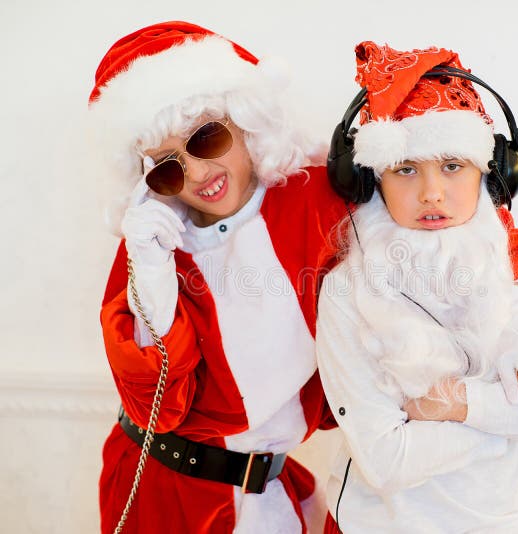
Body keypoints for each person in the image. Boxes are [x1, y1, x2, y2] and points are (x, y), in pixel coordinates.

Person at [315, 41, 518, 533]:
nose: (432, 192)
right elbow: (385, 461)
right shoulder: (347, 292)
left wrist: (456, 404)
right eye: (406, 169)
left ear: (491, 175)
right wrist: (515, 422)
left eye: (452, 165)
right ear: (369, 182)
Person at [88, 22, 346, 533]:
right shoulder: (152, 242)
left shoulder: (317, 200)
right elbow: (158, 404)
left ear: (246, 120)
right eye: (167, 166)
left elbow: (428, 237)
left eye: (207, 137)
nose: (197, 173)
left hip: (271, 487)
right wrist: (153, 271)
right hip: (165, 494)